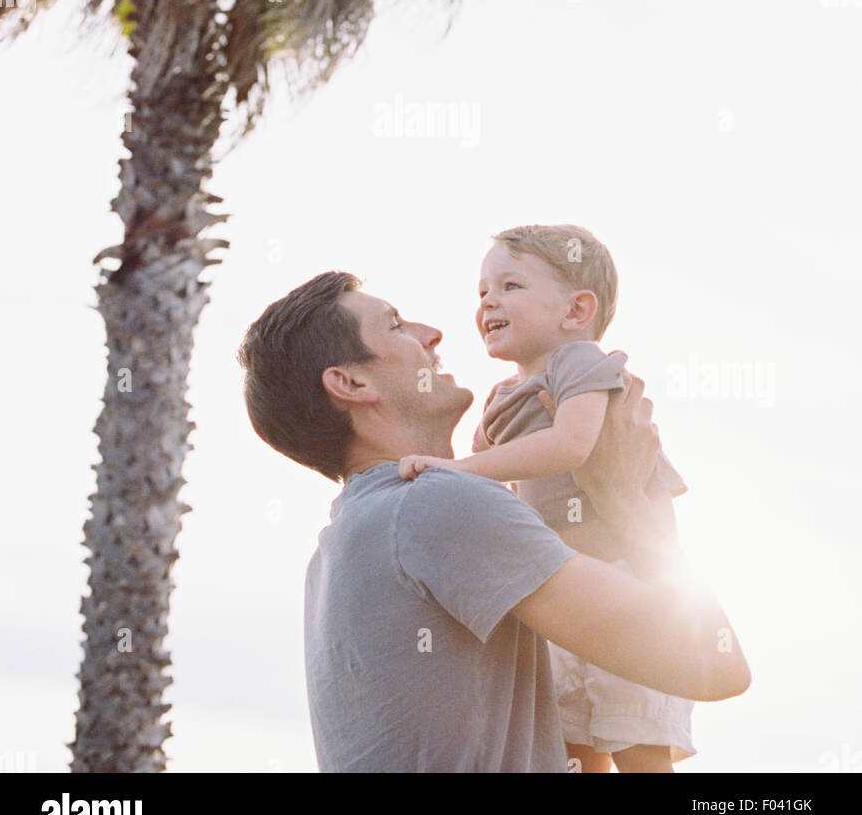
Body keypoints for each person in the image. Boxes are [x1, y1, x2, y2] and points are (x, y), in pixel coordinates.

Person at [238, 270, 750, 773]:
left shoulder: (346, 543)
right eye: (395, 325)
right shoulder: (434, 506)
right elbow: (715, 665)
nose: (431, 333)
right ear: (351, 382)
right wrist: (623, 496)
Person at [399, 223, 694, 773]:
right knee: (569, 751)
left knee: (638, 749)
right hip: (563, 597)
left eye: (510, 285)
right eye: (482, 290)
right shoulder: (499, 397)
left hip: (629, 584)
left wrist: (454, 469)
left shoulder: (580, 364)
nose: (488, 300)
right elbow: (486, 489)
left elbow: (571, 445)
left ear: (576, 311)